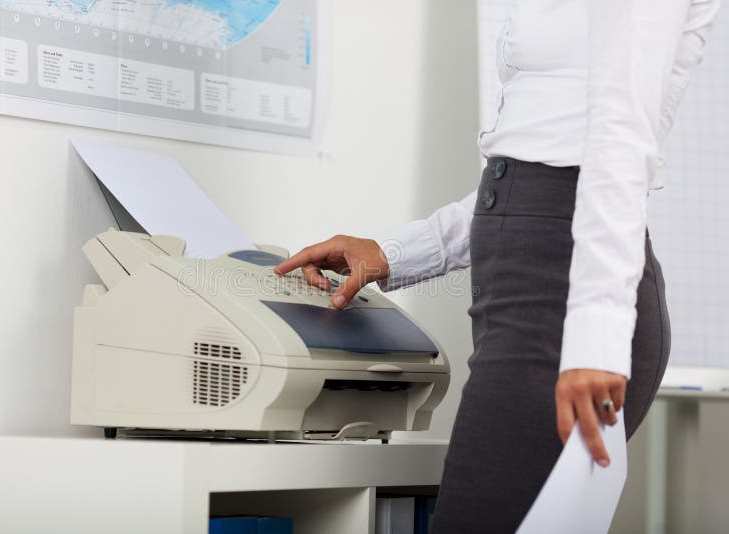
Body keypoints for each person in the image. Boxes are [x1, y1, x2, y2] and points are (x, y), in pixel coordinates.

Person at [275, 0, 722, 531]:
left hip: (563, 295)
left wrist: (595, 342)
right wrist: (390, 254)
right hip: (540, 277)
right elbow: (525, 183)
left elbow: (616, 144)